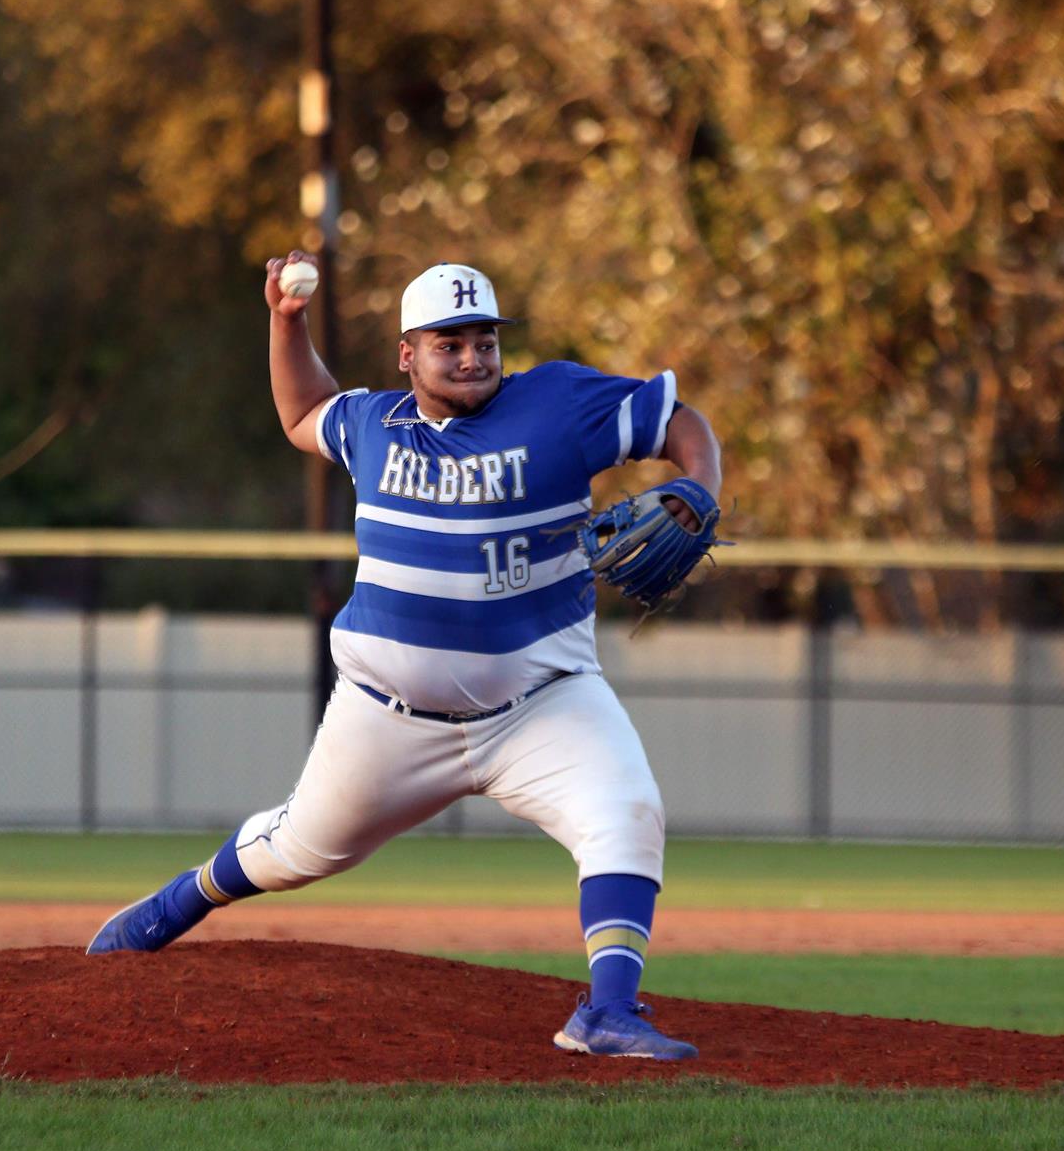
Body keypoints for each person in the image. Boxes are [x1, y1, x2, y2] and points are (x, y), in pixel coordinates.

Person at [88, 253, 724, 1060]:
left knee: (627, 810)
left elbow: (680, 422)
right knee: (293, 850)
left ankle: (608, 1011)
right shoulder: (372, 426)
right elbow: (302, 410)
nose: (471, 356)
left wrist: (701, 484)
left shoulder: (559, 401)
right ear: (407, 354)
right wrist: (286, 321)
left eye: (484, 339)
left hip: (542, 704)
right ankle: (175, 904)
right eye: (448, 341)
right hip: (386, 716)